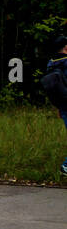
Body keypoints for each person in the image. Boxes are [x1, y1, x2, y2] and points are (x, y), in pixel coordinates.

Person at [42, 36, 67, 176]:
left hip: (62, 105)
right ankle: (66, 167)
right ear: (65, 47)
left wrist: (58, 107)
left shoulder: (51, 64)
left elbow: (54, 88)